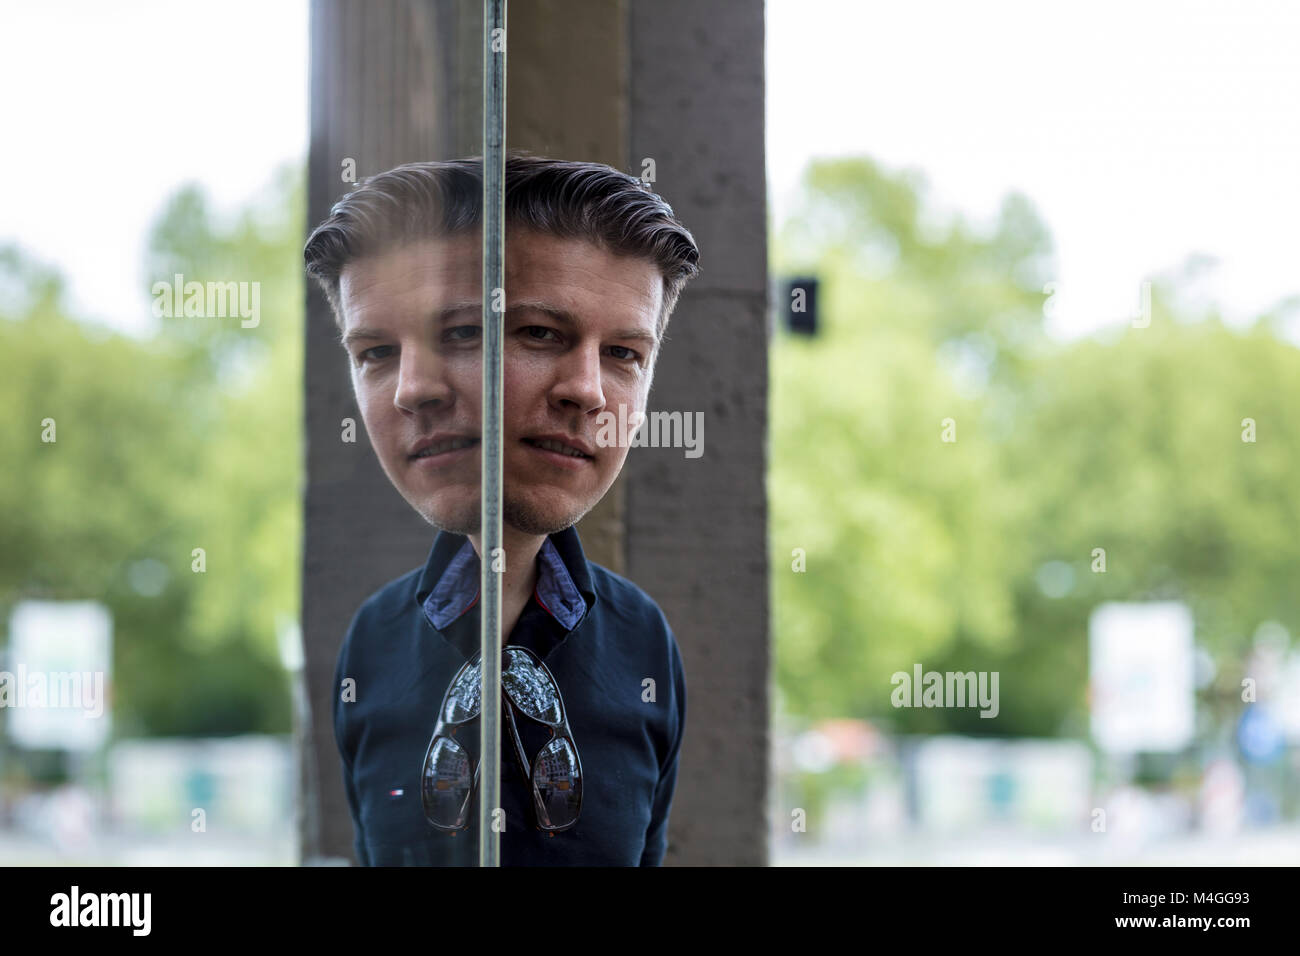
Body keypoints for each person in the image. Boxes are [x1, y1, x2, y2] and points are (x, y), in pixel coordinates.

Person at [303, 155, 700, 865]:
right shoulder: (370, 645)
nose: (588, 391)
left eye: (624, 353)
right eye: (374, 352)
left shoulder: (645, 642)